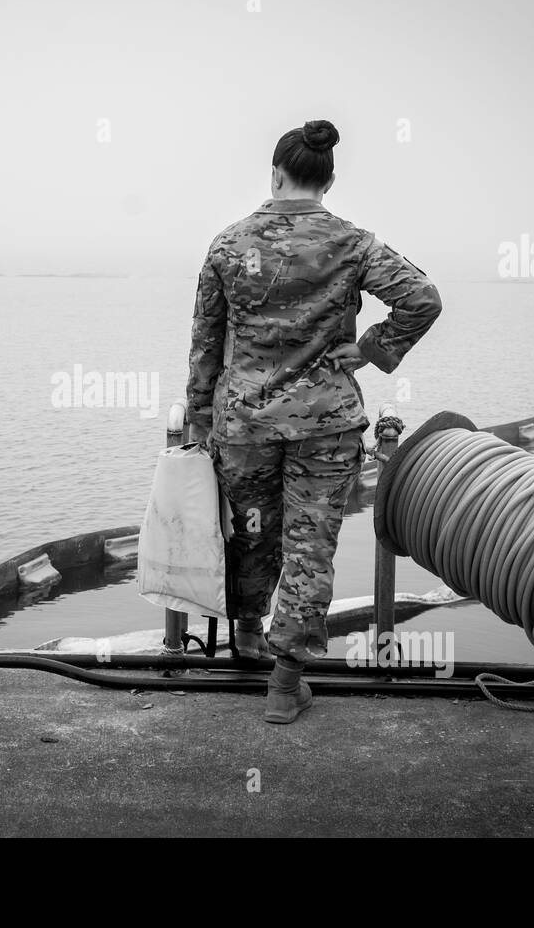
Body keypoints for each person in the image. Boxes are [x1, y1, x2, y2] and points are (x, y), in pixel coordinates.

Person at [186, 119, 442, 724]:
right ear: (327, 180)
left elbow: (205, 341)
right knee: (310, 547)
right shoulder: (353, 244)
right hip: (326, 426)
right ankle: (285, 682)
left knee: (248, 531)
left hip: (243, 425)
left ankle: (247, 634)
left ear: (275, 174)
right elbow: (422, 298)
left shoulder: (228, 244)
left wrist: (199, 419)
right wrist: (374, 349)